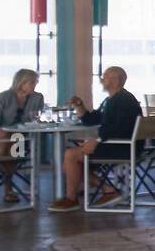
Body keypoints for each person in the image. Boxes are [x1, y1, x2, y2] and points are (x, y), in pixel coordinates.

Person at [49, 66, 142, 212]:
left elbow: (120, 128)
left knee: (70, 156)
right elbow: (92, 120)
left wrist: (96, 141)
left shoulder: (123, 101)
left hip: (123, 147)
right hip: (120, 145)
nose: (101, 80)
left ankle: (71, 199)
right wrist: (79, 105)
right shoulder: (111, 99)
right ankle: (108, 189)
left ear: (116, 81)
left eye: (105, 77)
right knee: (69, 162)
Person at [0, 68, 45, 203]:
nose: (34, 85)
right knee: (10, 139)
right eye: (31, 83)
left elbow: (37, 120)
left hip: (25, 138)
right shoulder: (4, 97)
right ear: (21, 82)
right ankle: (8, 188)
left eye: (35, 82)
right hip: (0, 137)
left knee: (14, 138)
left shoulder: (38, 98)